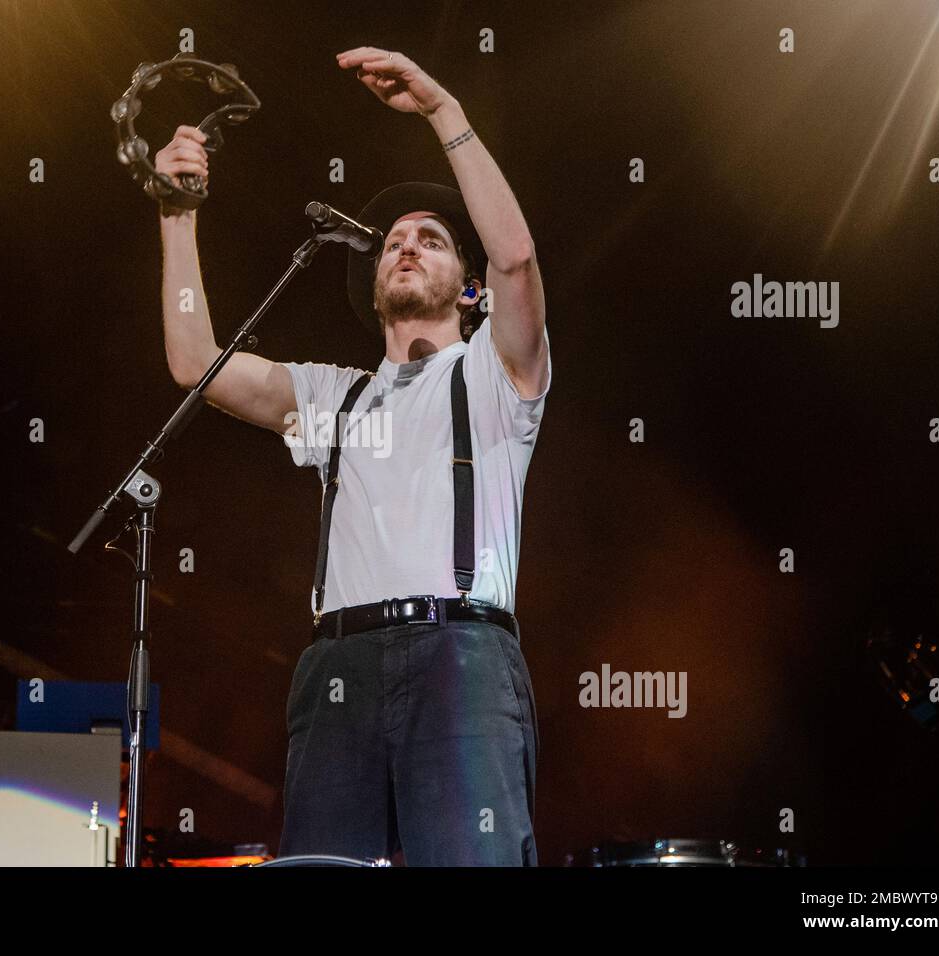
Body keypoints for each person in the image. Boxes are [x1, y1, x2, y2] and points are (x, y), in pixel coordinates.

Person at [155, 47, 550, 865]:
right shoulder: (335, 395)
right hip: (339, 665)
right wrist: (176, 213)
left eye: (432, 240)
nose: (406, 246)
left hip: (461, 657)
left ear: (467, 289)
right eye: (395, 241)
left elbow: (514, 257)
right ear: (373, 284)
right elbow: (196, 362)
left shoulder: (494, 372)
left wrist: (443, 110)